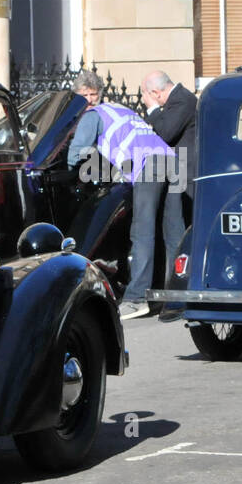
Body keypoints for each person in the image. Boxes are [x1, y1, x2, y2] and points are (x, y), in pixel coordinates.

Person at [67, 70, 173, 319]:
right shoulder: (121, 109)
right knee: (170, 229)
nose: (90, 99)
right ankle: (174, 295)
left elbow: (74, 157)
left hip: (147, 165)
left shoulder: (91, 116)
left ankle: (136, 299)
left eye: (93, 94)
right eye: (85, 95)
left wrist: (92, 166)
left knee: (142, 231)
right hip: (170, 160)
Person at [141, 70, 197, 271]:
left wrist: (153, 110)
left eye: (146, 96)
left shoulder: (182, 100)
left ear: (156, 92)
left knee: (183, 231)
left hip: (187, 175)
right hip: (177, 173)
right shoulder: (178, 100)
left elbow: (166, 133)